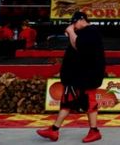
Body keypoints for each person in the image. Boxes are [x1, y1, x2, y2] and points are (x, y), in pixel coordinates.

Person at [37, 11, 106, 143]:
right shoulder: (82, 33)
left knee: (90, 102)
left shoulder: (92, 31)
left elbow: (79, 46)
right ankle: (54, 130)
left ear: (81, 20)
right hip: (76, 76)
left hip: (88, 76)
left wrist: (70, 31)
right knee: (67, 102)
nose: (73, 26)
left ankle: (94, 131)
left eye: (74, 23)